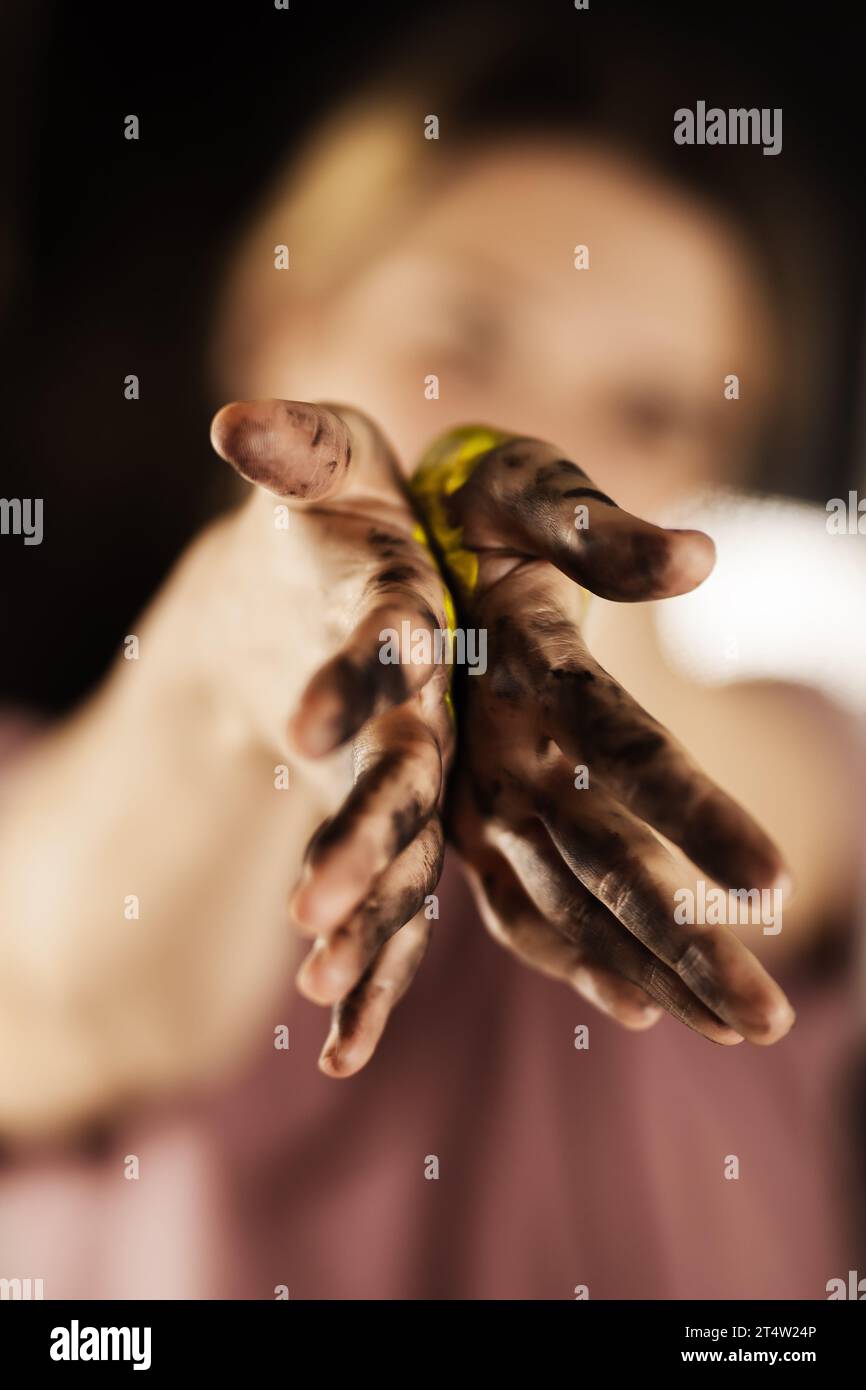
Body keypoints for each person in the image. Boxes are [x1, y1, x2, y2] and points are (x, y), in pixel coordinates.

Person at [0, 8, 861, 1298]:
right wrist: (240, 662)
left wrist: (559, 631)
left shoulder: (801, 747)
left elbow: (780, 849)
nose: (544, 433)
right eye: (463, 338)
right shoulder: (46, 802)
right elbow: (63, 993)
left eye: (650, 406)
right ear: (278, 325)